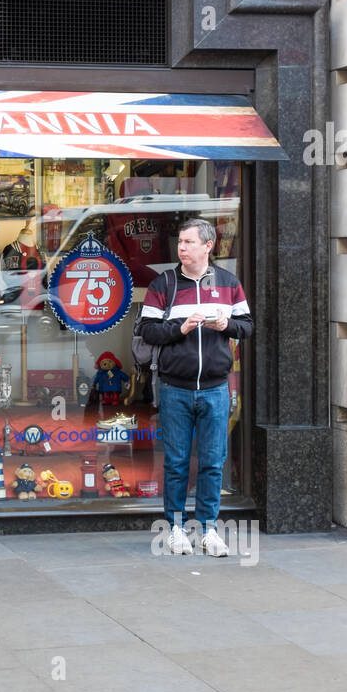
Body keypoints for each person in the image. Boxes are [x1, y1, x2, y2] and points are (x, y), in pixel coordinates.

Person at [137, 218, 252, 556]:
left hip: (216, 389)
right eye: (180, 242)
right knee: (176, 462)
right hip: (176, 389)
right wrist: (179, 328)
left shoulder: (229, 283)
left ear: (207, 246)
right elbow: (147, 330)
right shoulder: (164, 284)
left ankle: (208, 530)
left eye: (188, 242)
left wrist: (226, 324)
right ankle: (174, 527)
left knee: (213, 462)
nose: (181, 248)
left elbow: (247, 326)